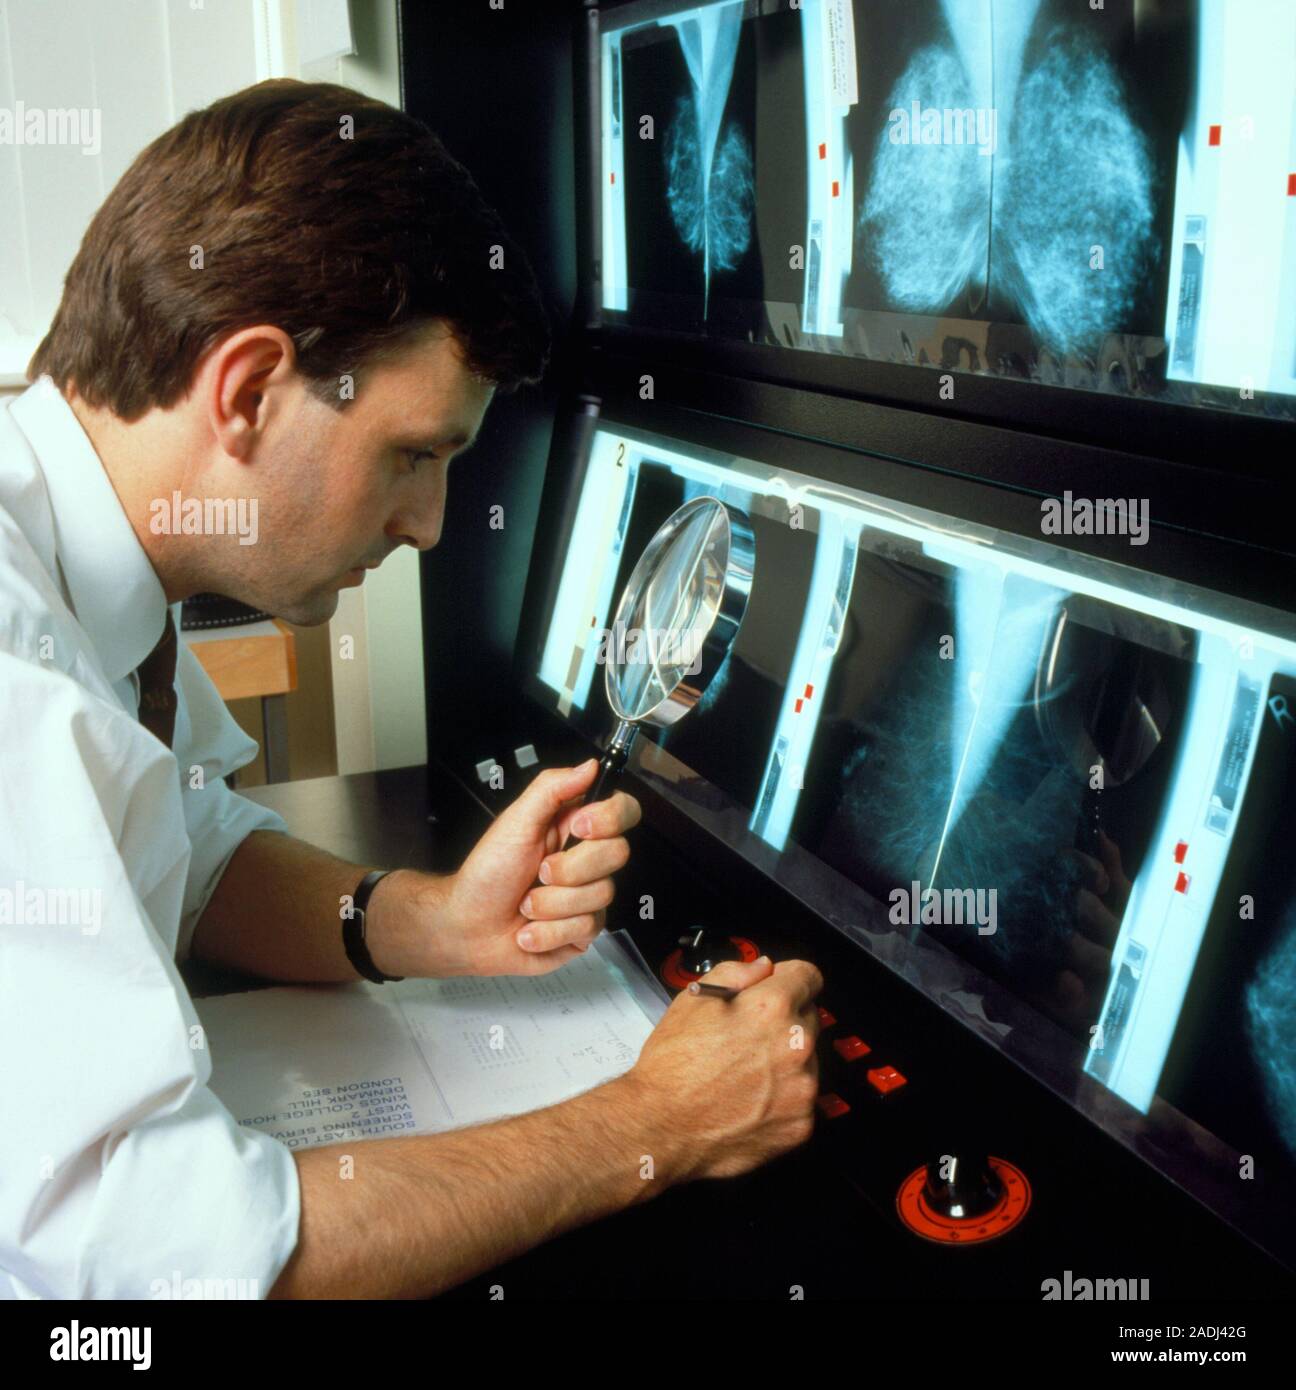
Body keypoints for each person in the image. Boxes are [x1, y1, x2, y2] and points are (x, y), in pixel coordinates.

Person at [0, 79, 822, 1300]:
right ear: (246, 390)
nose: (432, 527)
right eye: (414, 454)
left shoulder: (91, 572)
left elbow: (189, 847)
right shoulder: (17, 674)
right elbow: (162, 1263)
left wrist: (425, 922)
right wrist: (657, 1120)